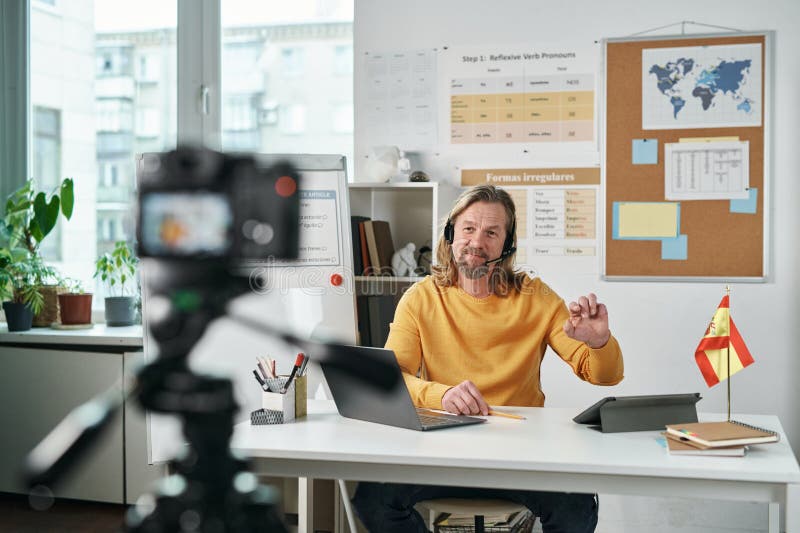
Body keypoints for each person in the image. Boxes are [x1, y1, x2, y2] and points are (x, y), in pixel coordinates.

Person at [351, 184, 624, 533]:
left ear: (507, 245)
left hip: (520, 450)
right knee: (371, 499)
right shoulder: (420, 298)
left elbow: (604, 377)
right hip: (442, 447)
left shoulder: (535, 296)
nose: (477, 242)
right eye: (468, 229)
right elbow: (393, 377)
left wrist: (599, 342)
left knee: (577, 504)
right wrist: (442, 395)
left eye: (492, 232)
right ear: (451, 235)